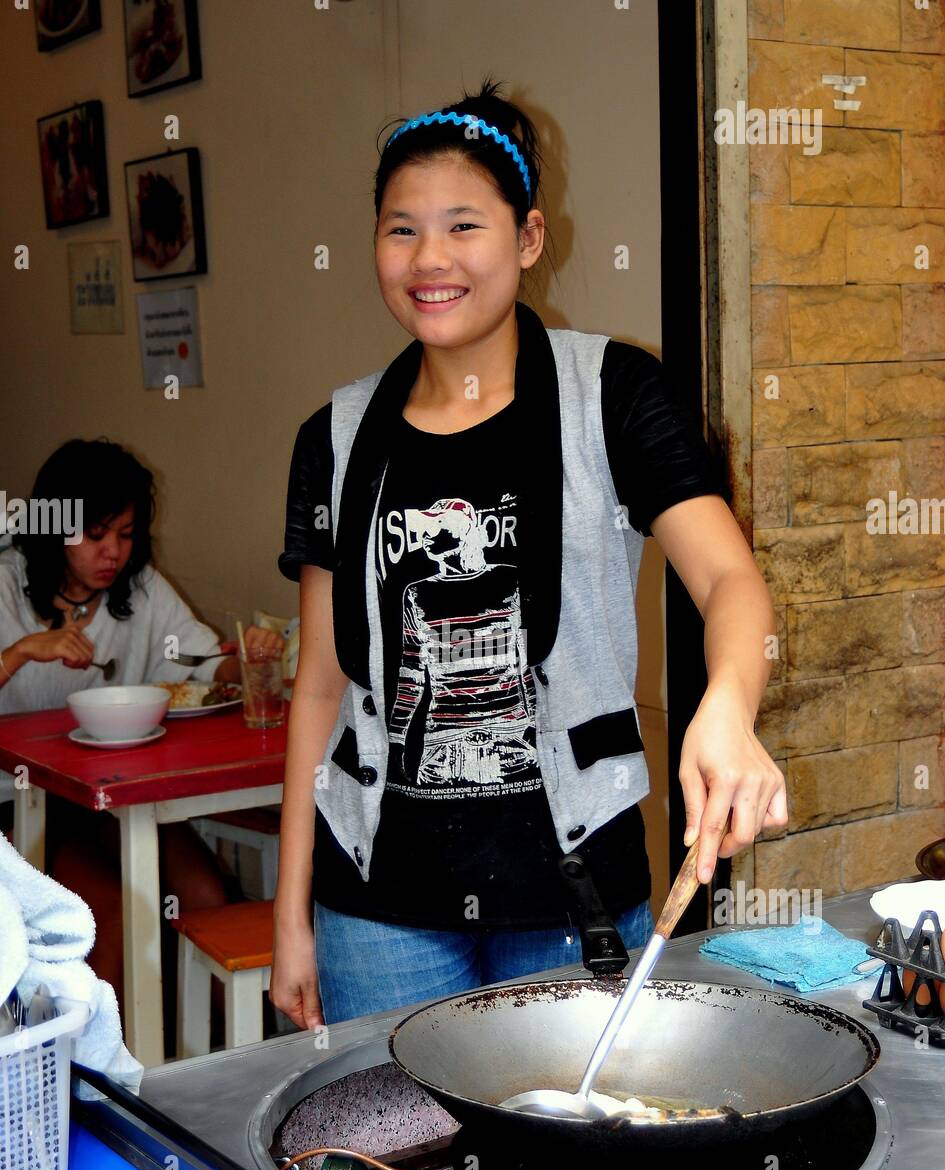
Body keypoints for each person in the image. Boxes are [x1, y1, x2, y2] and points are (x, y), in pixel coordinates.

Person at [271, 78, 787, 1028]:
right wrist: (290, 911)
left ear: (529, 238)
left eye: (463, 225)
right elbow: (319, 685)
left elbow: (728, 581)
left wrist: (727, 705)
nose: (430, 259)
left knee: (578, 1157)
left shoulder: (615, 395)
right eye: (400, 229)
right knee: (409, 1162)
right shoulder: (336, 436)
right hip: (377, 911)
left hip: (572, 888)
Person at [0, 438, 284, 1011]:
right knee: (104, 910)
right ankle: (95, 1083)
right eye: (96, 534)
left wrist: (249, 655)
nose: (113, 553)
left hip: (111, 798)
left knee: (205, 894)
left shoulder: (142, 588)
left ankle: (206, 1072)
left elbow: (203, 662)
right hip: (17, 801)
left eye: (126, 535)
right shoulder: (6, 583)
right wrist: (25, 650)